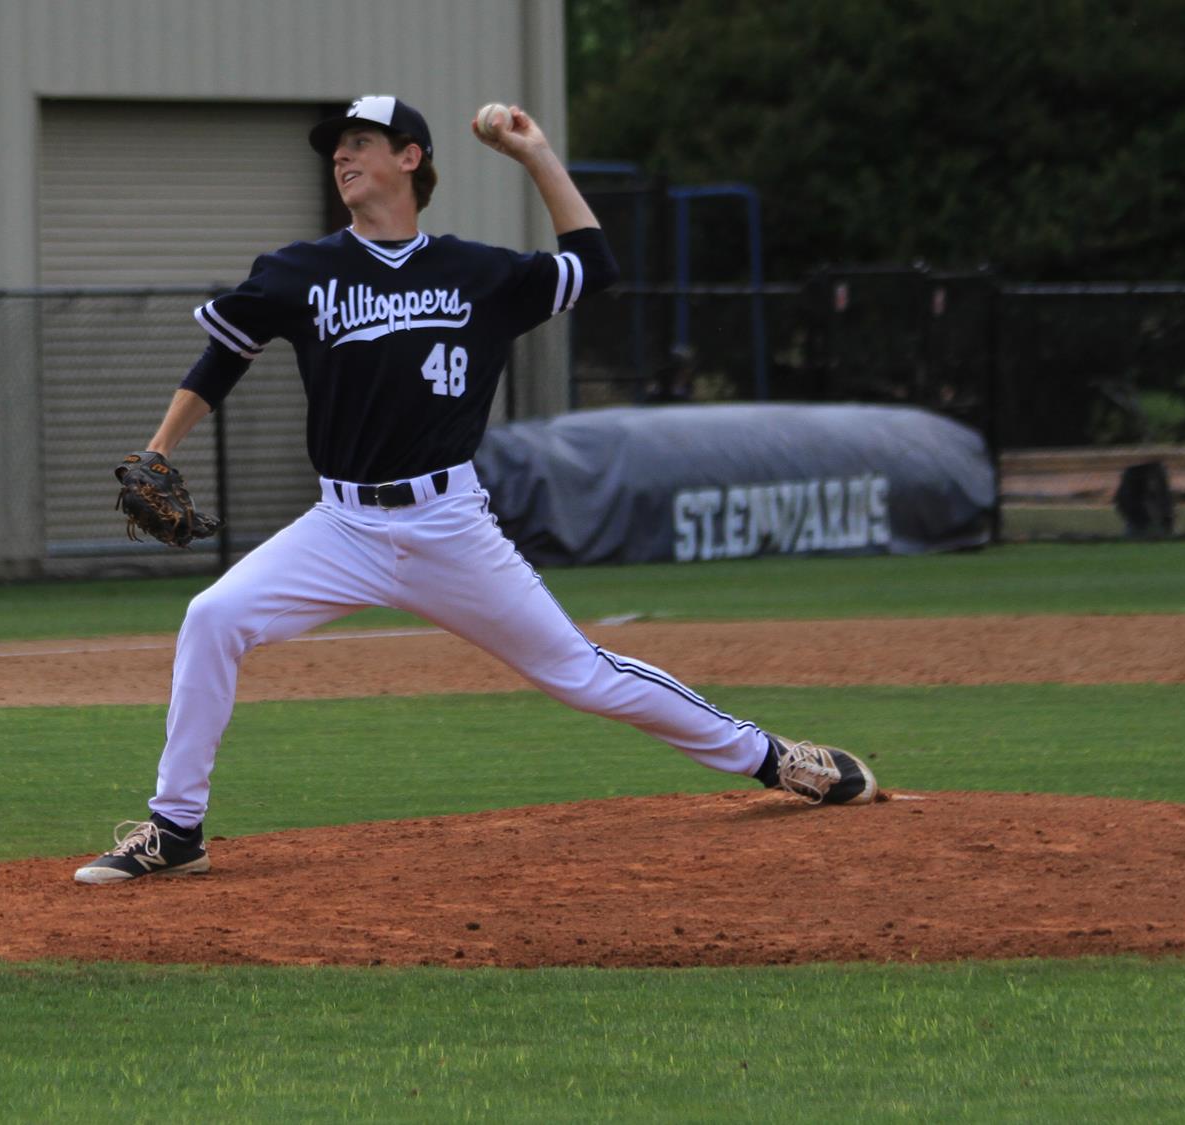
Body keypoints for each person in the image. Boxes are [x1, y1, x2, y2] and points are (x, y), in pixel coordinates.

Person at [75, 96, 879, 885]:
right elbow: (224, 356)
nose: (342, 156)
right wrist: (157, 449)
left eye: (360, 141)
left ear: (411, 158)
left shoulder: (479, 273)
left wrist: (535, 154)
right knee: (213, 616)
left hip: (447, 523)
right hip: (341, 525)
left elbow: (596, 266)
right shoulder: (301, 271)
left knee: (582, 673)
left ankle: (777, 759)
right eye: (337, 146)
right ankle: (177, 830)